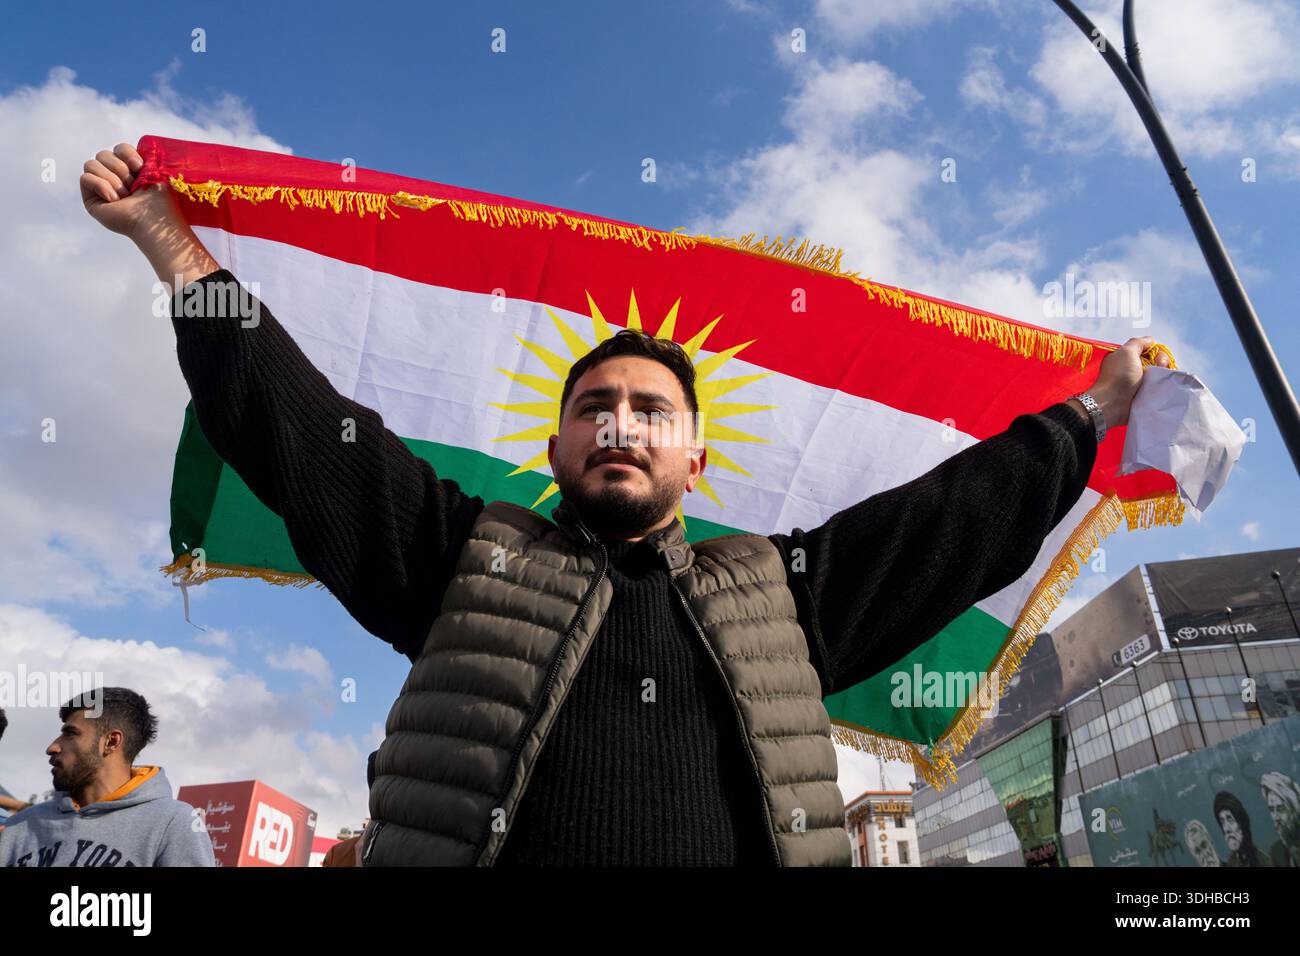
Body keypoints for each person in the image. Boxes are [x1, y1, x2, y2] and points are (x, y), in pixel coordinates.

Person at [80, 141, 1172, 866]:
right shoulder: (460, 554)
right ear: (552, 446)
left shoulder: (784, 593)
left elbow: (954, 518)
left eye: (651, 409)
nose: (620, 423)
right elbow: (299, 423)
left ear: (695, 458)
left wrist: (1091, 410)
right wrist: (165, 240)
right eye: (594, 405)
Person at [0, 688, 217, 867]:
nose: (52, 747)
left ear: (111, 742)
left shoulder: (173, 823)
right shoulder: (20, 826)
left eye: (71, 733)